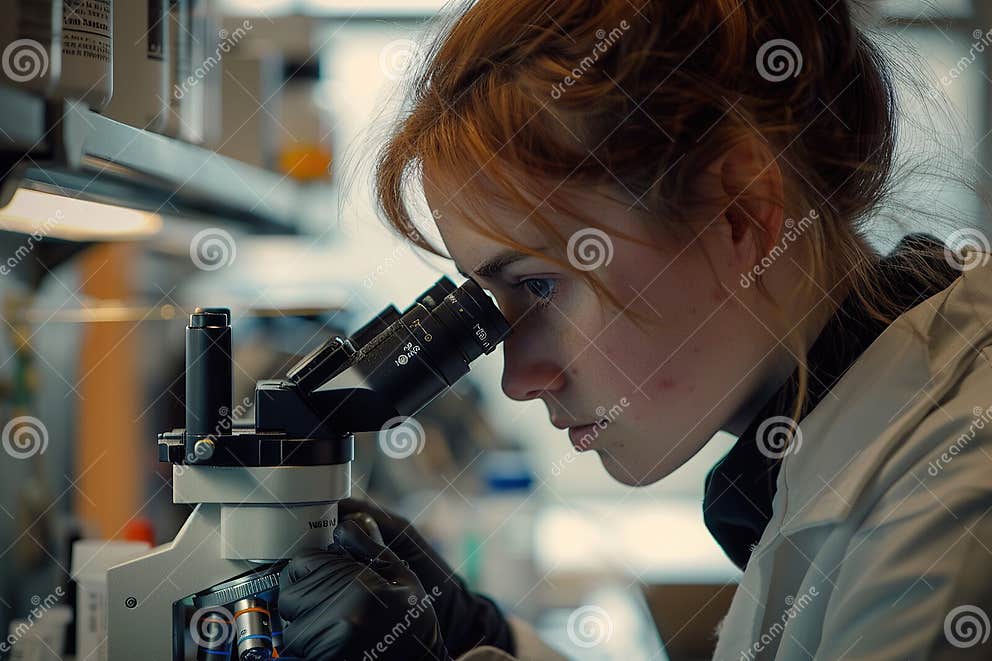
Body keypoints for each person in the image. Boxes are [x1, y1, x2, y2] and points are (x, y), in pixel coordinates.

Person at [278, 1, 992, 659]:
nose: (519, 379)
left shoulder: (949, 509)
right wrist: (474, 633)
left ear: (740, 211)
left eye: (538, 285)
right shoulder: (840, 441)